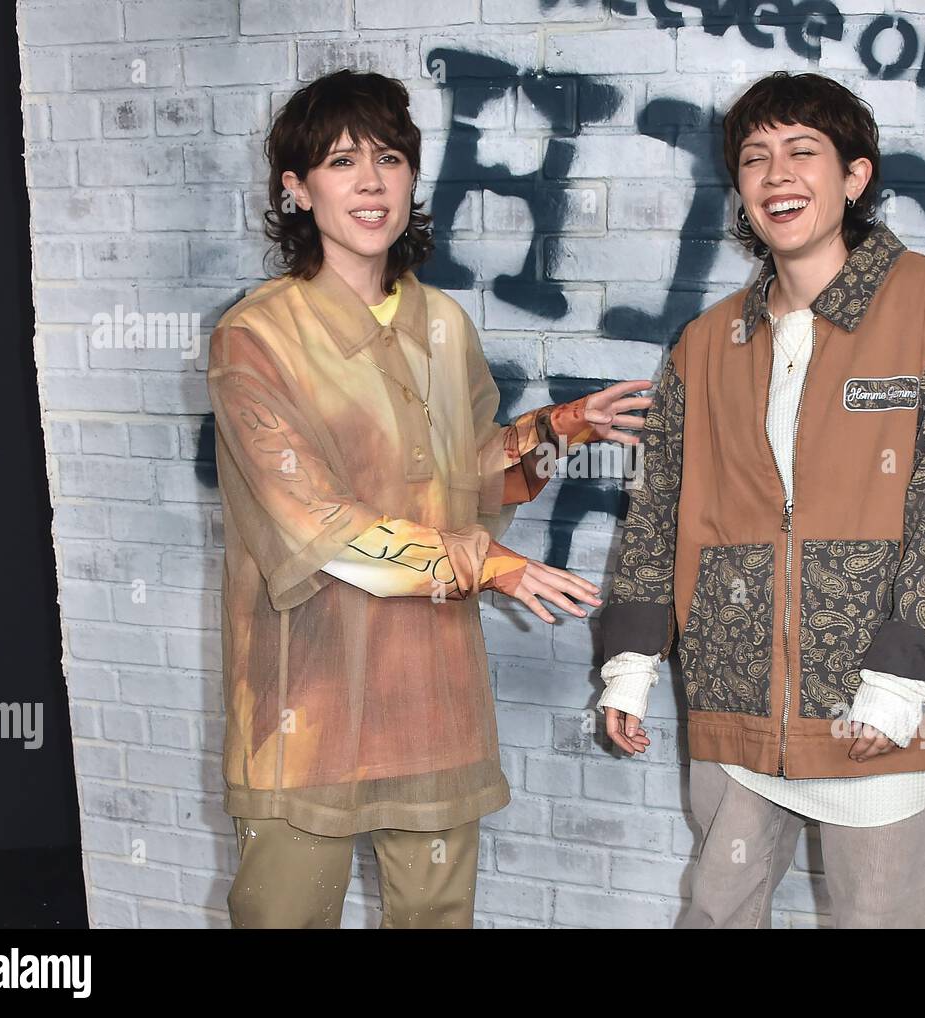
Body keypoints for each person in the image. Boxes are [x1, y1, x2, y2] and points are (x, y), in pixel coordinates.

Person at [207, 69, 652, 928]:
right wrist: (493, 566)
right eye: (341, 162)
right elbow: (318, 526)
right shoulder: (255, 337)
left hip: (431, 696)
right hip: (309, 702)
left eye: (391, 157)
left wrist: (557, 429)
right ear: (296, 190)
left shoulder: (443, 324)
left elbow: (466, 476)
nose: (372, 182)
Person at [596, 71, 925, 928]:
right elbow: (657, 509)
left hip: (880, 714)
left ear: (854, 177)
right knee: (716, 916)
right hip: (736, 706)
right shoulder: (707, 342)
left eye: (802, 152)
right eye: (755, 157)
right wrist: (632, 662)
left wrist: (901, 683)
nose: (777, 175)